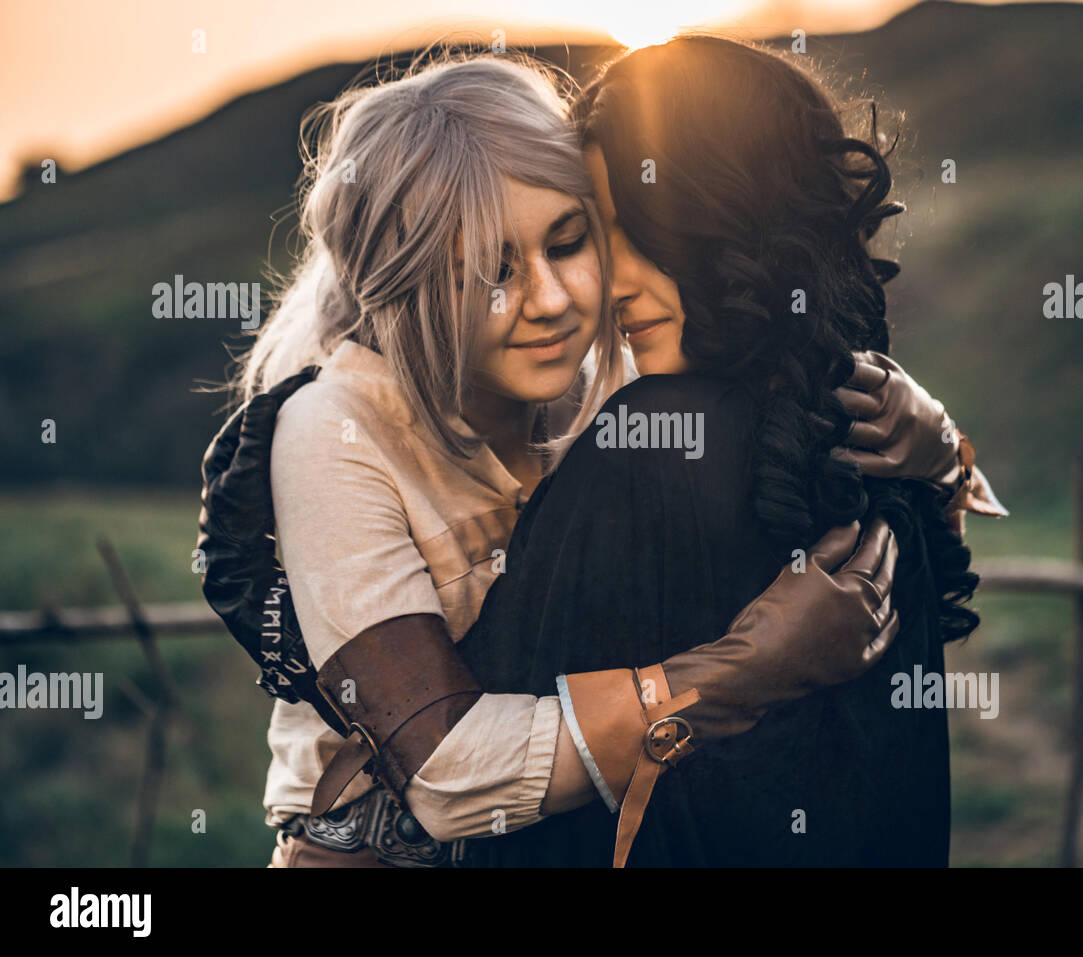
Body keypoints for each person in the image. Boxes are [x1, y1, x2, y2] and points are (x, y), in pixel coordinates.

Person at [198, 50, 996, 868]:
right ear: (407, 283)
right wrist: (751, 668)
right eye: (492, 268)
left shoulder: (609, 374)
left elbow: (780, 379)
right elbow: (442, 773)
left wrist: (936, 441)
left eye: (571, 241)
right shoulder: (333, 431)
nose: (549, 300)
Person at [450, 35, 1003, 866]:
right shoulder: (879, 431)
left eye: (638, 227)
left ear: (725, 213)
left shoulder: (643, 454)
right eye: (599, 234)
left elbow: (484, 792)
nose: (616, 280)